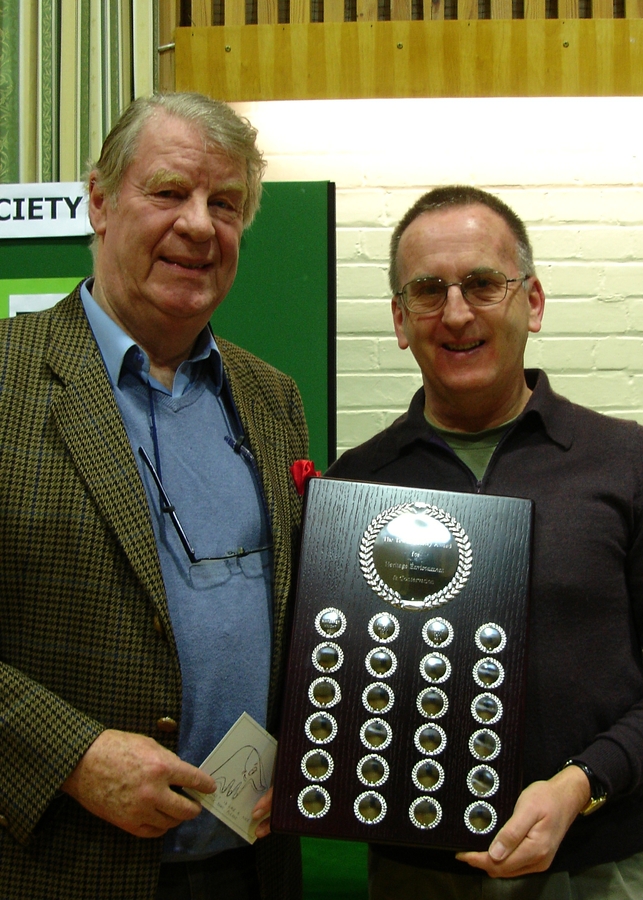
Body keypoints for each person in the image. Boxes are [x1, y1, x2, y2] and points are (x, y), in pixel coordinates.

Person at [0, 92, 307, 900]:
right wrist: (68, 756)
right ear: (98, 202)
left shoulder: (274, 400)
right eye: (169, 192)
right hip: (61, 868)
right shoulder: (5, 375)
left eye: (226, 203)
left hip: (250, 864)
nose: (200, 225)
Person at [327, 185, 643, 899]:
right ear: (400, 320)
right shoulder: (357, 486)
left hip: (595, 863)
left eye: (480, 284)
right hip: (416, 873)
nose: (457, 312)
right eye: (428, 291)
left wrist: (582, 783)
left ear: (530, 301)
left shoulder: (625, 462)